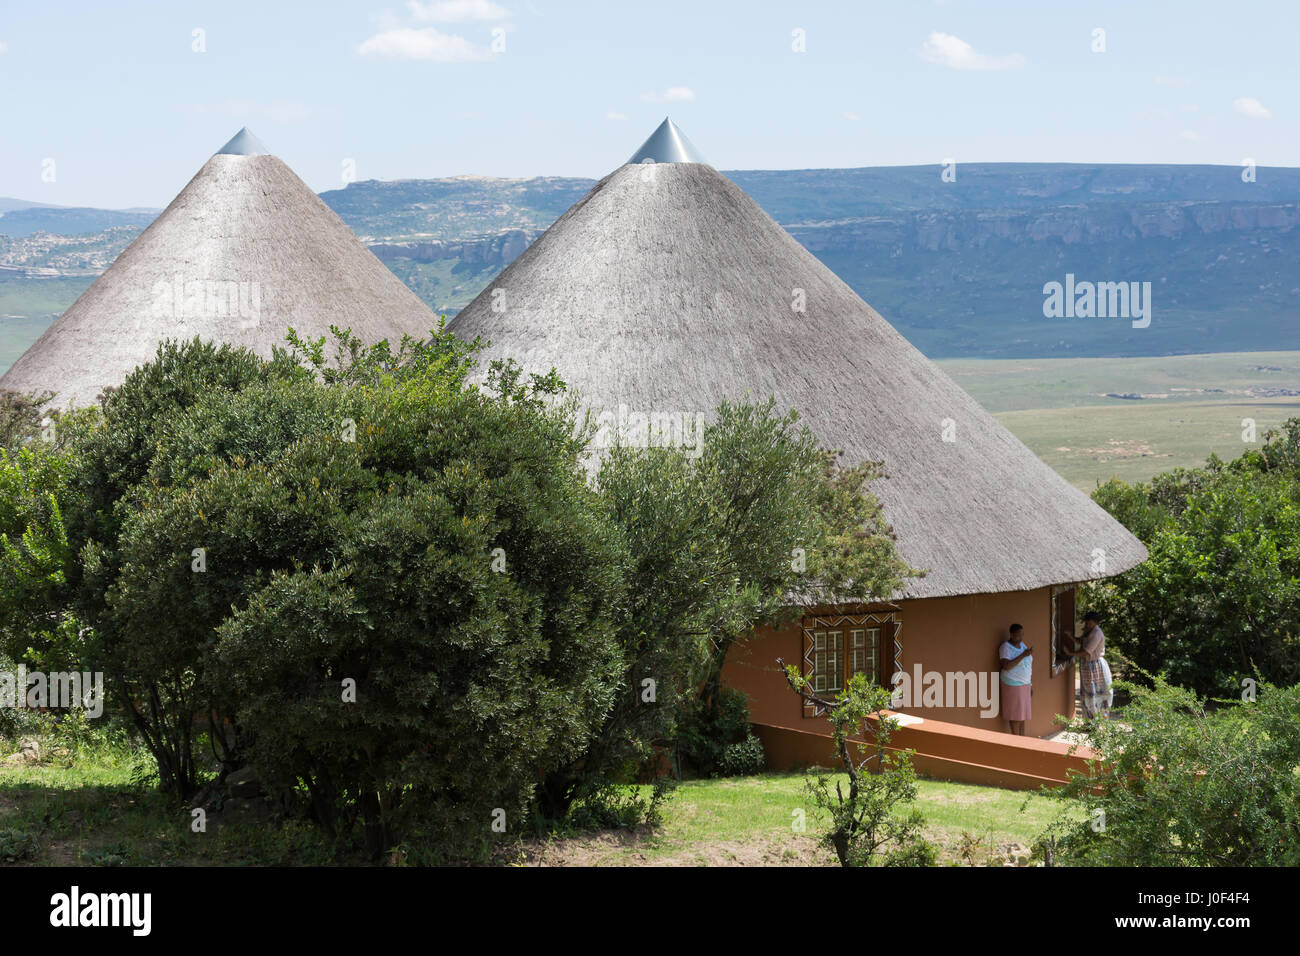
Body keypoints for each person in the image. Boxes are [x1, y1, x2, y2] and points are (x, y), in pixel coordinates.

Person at [1063, 610, 1112, 719]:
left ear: (1096, 622)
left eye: (1089, 623)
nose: (1087, 625)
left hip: (1095, 666)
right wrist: (1070, 636)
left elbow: (1086, 651)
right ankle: (1090, 722)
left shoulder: (1097, 633)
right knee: (1087, 694)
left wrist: (1070, 653)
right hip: (1087, 666)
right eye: (1086, 622)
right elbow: (1081, 642)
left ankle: (1098, 720)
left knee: (1096, 694)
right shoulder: (1089, 631)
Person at [998, 624, 1033, 735]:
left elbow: (1027, 665)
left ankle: (1022, 740)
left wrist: (1030, 684)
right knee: (1015, 716)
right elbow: (1006, 666)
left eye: (1022, 634)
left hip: (1025, 684)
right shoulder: (1005, 647)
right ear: (1012, 635)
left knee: (1022, 716)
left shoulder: (1022, 645)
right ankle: (1016, 741)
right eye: (1018, 635)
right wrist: (1023, 655)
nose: (1021, 637)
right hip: (1013, 683)